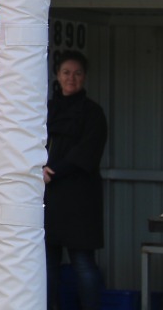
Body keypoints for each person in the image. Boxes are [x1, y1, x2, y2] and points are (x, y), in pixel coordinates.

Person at [44, 50, 107, 310]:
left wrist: (52, 171)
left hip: (80, 201)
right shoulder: (44, 110)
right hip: (47, 200)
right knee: (46, 267)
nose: (72, 78)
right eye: (66, 73)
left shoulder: (93, 113)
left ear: (85, 77)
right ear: (57, 76)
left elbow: (86, 153)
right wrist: (37, 169)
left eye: (77, 73)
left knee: (83, 265)